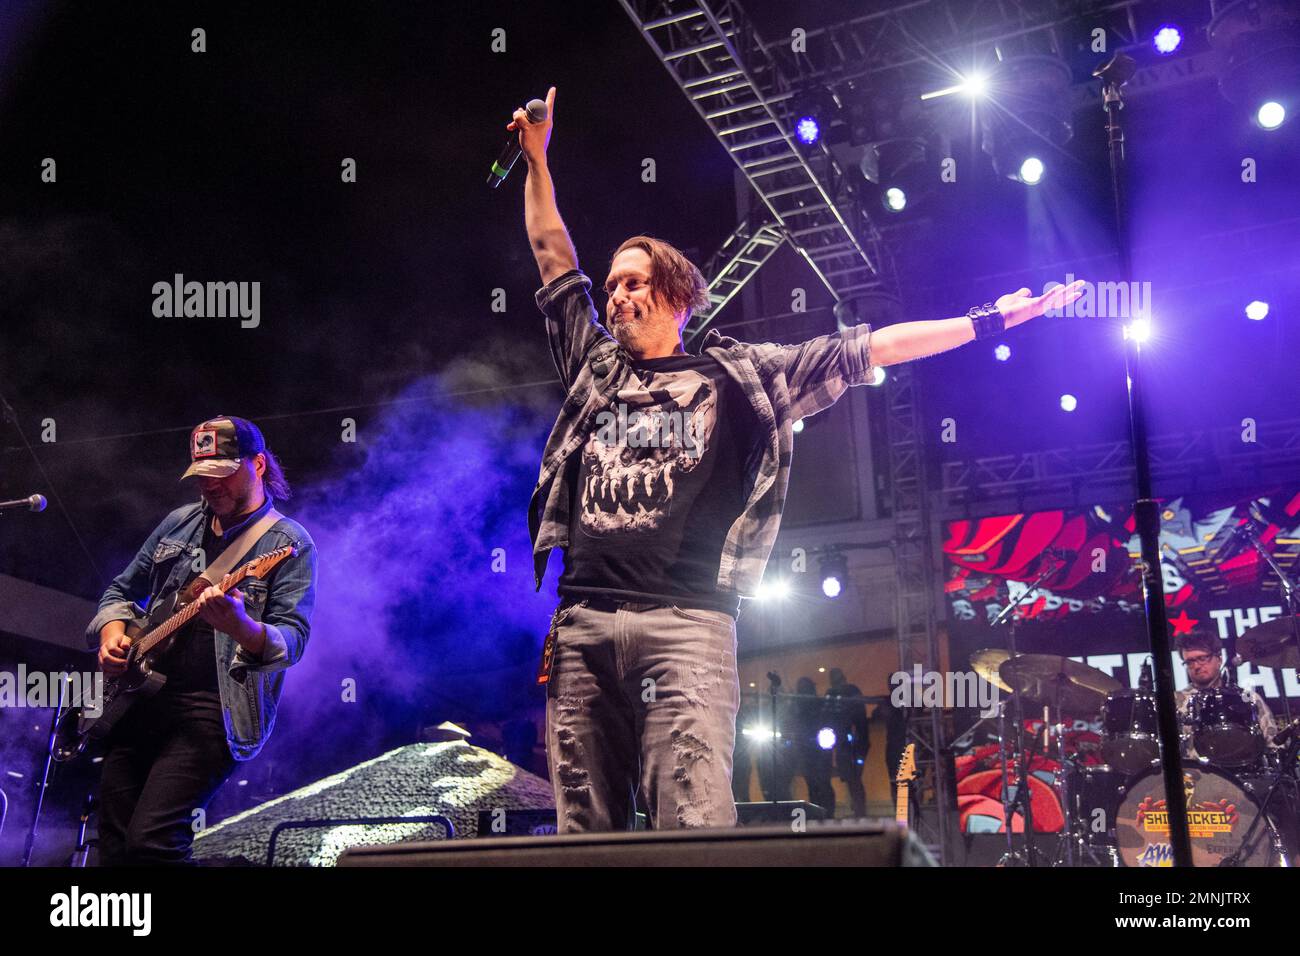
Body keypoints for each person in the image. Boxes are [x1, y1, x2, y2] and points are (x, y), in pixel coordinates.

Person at [510, 86, 1085, 832]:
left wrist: (989, 319)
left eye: (632, 282)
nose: (614, 296)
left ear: (676, 292)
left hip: (686, 627)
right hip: (582, 621)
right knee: (584, 831)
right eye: (611, 285)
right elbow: (553, 253)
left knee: (691, 829)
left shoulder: (746, 375)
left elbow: (872, 347)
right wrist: (537, 158)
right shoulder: (595, 369)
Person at [86, 416, 317, 864]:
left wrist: (239, 626)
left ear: (258, 465)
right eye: (202, 476)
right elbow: (119, 592)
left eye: (222, 474)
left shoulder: (290, 543)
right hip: (138, 699)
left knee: (152, 842)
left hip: (214, 710)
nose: (210, 487)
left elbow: (293, 641)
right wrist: (113, 634)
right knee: (113, 842)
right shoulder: (178, 523)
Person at [1176, 630, 1277, 755]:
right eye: (1190, 662)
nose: (1196, 666)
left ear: (1219, 659)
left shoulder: (1248, 698)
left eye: (1202, 658)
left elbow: (1274, 745)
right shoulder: (1176, 702)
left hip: (1246, 771)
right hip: (1196, 773)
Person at [826, 668, 871, 817]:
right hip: (844, 742)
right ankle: (859, 810)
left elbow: (859, 717)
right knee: (852, 778)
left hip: (853, 742)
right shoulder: (834, 694)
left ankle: (859, 811)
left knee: (854, 778)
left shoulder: (846, 692)